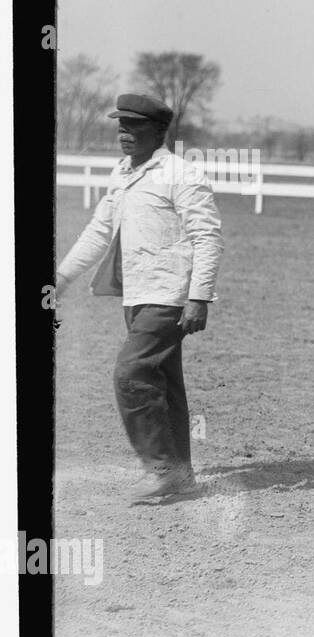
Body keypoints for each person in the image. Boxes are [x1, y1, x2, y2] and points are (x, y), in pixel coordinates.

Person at [56, 93, 224, 503]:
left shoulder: (181, 174)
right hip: (135, 294)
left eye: (134, 127)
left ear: (159, 131)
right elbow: (99, 231)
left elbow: (208, 237)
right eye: (120, 126)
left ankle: (161, 468)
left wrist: (198, 297)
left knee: (130, 374)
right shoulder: (123, 174)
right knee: (164, 383)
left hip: (170, 295)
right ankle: (181, 476)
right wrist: (60, 278)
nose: (123, 134)